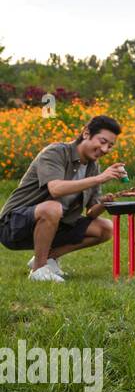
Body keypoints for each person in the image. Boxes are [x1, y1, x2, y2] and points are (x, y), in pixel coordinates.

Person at [0, 115, 124, 282]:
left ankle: (48, 258)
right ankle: (39, 270)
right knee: (52, 207)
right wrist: (100, 178)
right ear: (86, 133)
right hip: (14, 225)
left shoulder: (93, 167)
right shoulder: (55, 152)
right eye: (102, 141)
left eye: (110, 146)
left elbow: (91, 213)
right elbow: (56, 189)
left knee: (105, 227)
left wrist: (105, 202)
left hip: (55, 225)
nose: (105, 149)